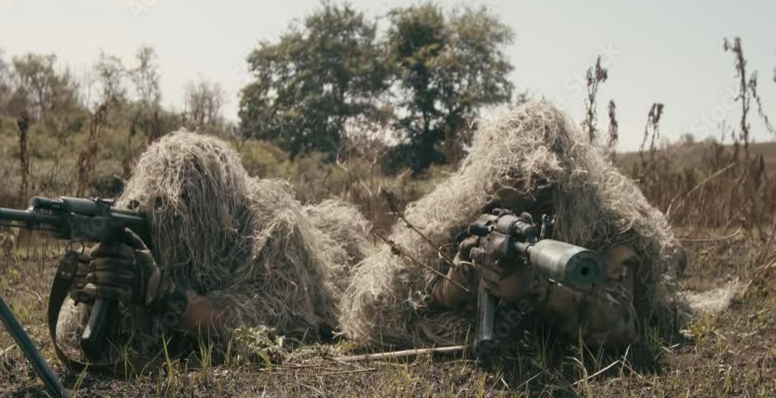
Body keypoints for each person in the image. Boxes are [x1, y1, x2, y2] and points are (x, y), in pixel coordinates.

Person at [340, 102, 688, 351]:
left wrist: (540, 291)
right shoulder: (464, 215)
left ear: (565, 190)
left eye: (538, 200)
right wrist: (459, 279)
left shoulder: (605, 226)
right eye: (503, 201)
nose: (521, 212)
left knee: (672, 258)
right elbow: (388, 307)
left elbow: (621, 327)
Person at [55, 130, 371, 369]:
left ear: (218, 210)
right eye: (159, 206)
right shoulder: (146, 227)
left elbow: (257, 331)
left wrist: (160, 292)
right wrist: (96, 288)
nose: (171, 223)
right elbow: (92, 336)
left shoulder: (274, 234)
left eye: (184, 207)